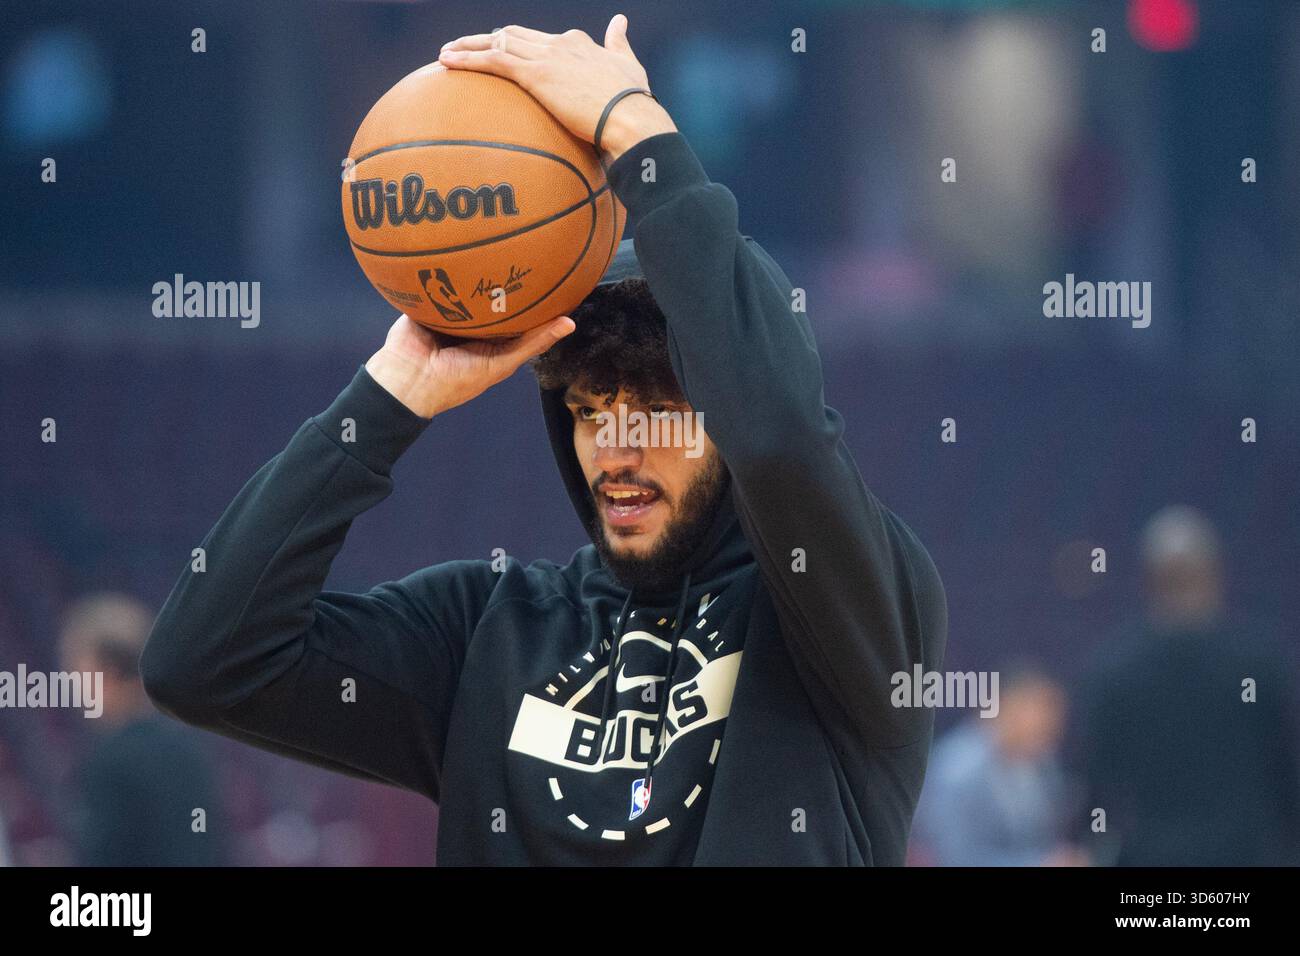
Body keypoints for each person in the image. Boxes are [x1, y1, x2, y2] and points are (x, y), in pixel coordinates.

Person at [141, 16, 946, 865]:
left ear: (723, 419)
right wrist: (385, 402)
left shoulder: (844, 611)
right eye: (592, 410)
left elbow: (782, 437)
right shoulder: (485, 629)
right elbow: (202, 662)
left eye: (655, 414)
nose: (616, 450)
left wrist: (641, 137)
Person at [1077, 505, 1300, 866]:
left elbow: (1095, 785)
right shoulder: (1261, 665)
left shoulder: (1113, 672)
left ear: (1149, 580)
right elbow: (1286, 775)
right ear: (1215, 574)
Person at [59, 592, 227, 866]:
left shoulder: (111, 763)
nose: (72, 684)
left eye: (77, 671)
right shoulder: (188, 747)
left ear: (108, 672)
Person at [912, 666, 1086, 866]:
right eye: (1042, 710)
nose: (1053, 724)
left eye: (1056, 712)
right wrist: (1037, 864)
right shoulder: (958, 771)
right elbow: (950, 857)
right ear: (1005, 706)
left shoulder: (1043, 765)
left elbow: (1047, 841)